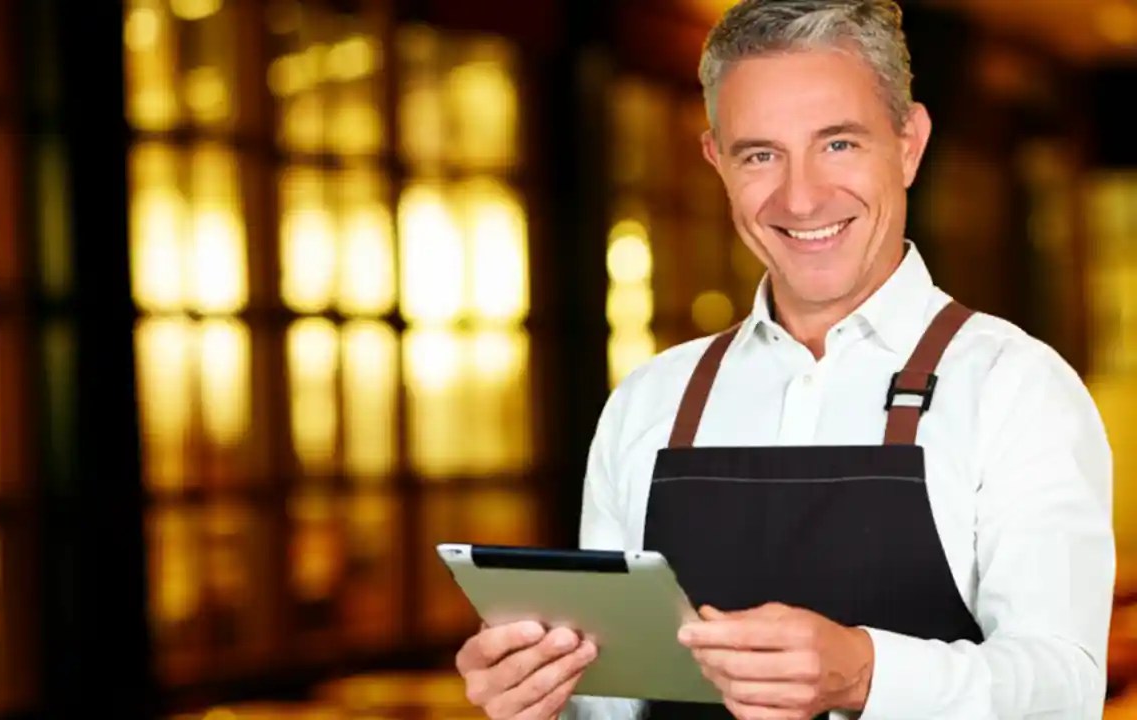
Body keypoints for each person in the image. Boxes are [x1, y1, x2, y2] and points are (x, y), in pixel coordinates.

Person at [452, 0, 1115, 718]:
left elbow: (1062, 689)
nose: (801, 198)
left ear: (910, 143)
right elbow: (617, 705)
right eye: (760, 154)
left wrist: (865, 673)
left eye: (839, 144)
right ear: (717, 160)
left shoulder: (1016, 388)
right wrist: (539, 700)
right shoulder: (649, 403)